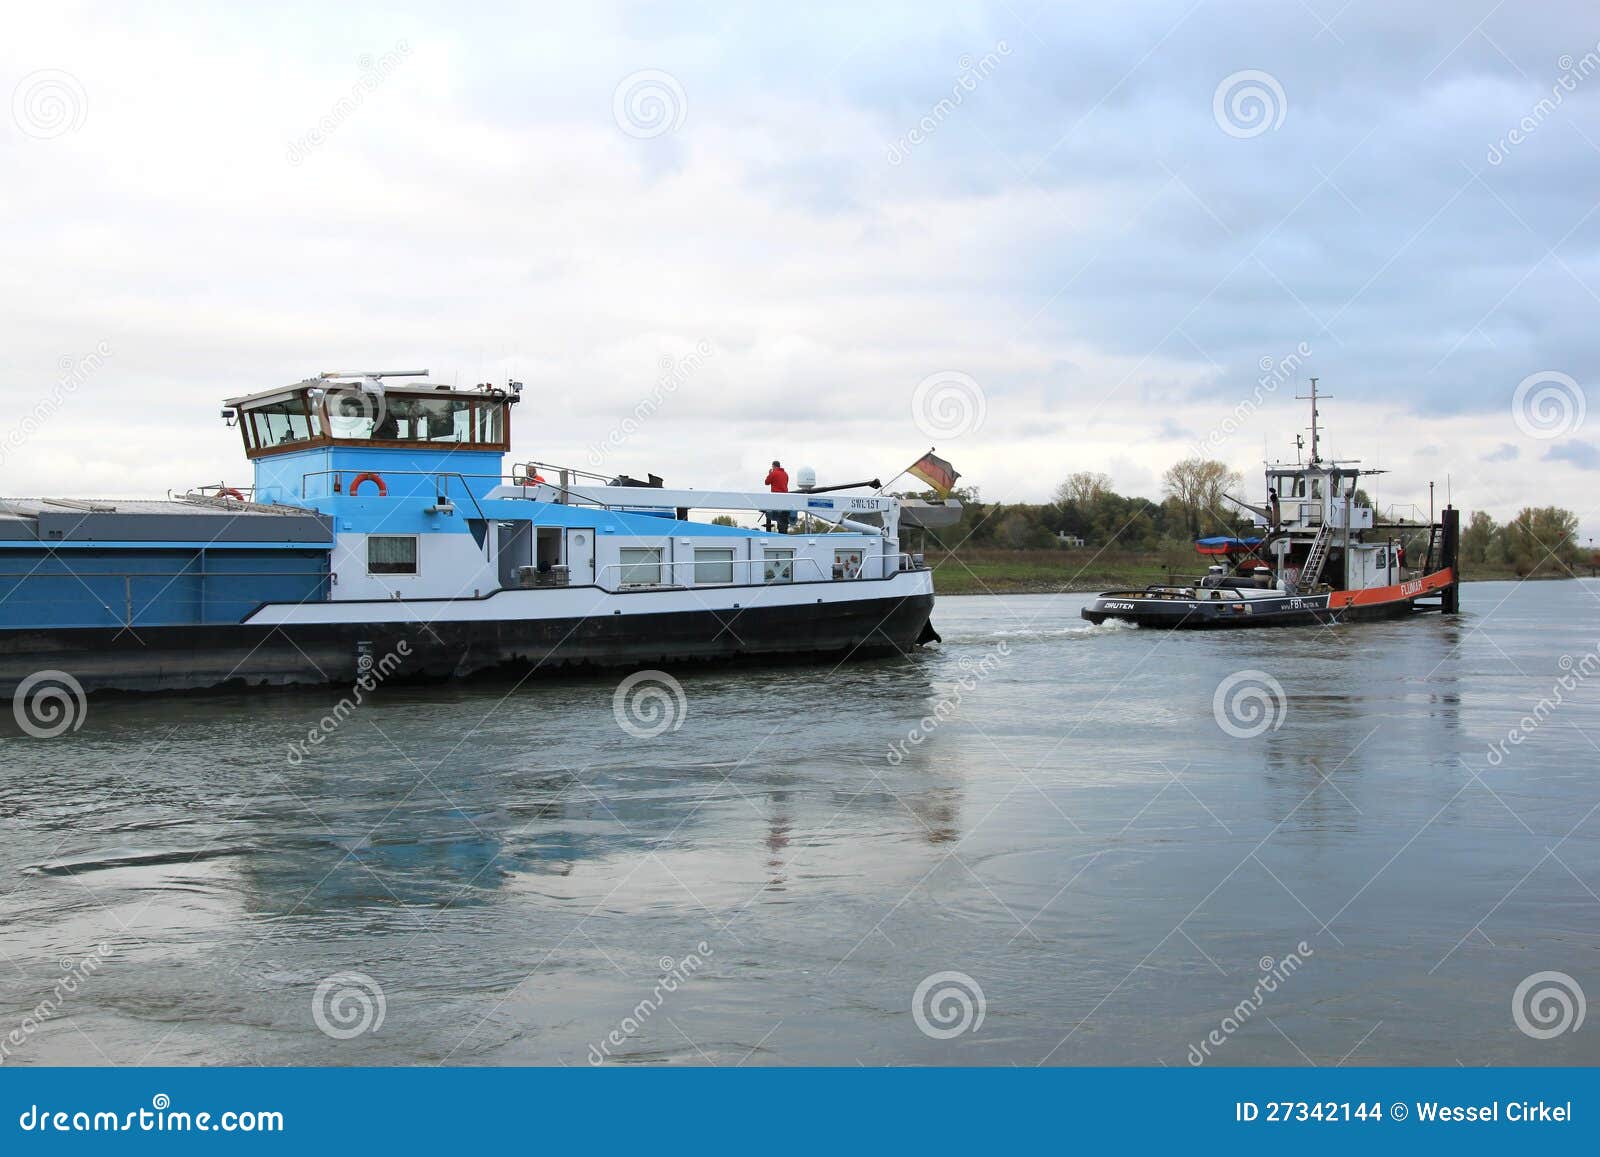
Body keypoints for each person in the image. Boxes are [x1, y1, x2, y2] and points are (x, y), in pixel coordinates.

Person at [764, 460, 791, 533]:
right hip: (785, 498)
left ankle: (781, 532)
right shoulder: (785, 474)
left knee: (778, 517)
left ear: (773, 466)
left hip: (776, 498)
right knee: (783, 519)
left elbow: (766, 482)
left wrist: (770, 473)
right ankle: (784, 532)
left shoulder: (773, 473)